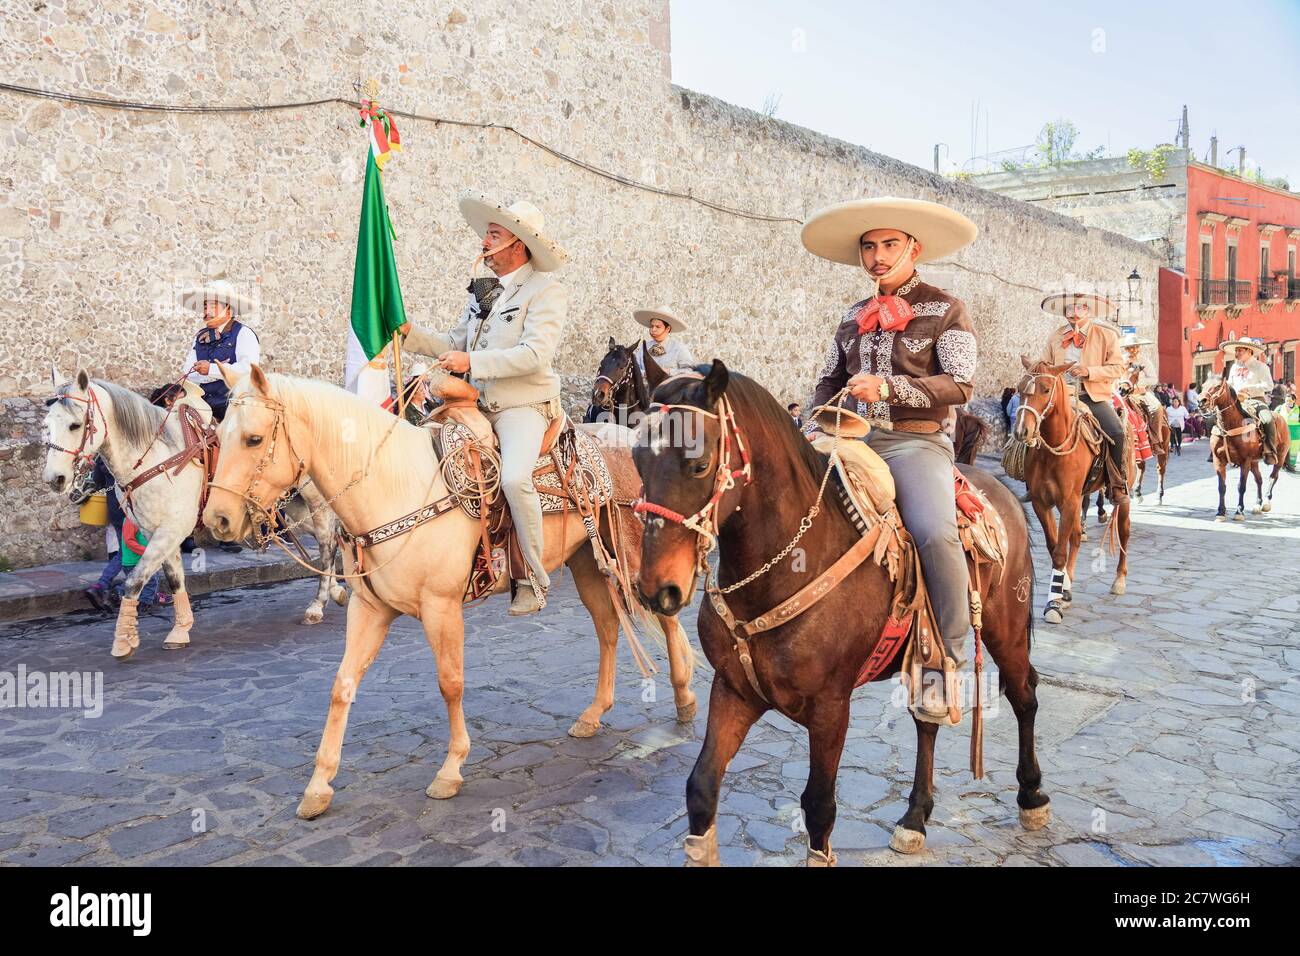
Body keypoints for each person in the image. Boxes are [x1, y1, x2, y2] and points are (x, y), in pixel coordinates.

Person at [801, 195, 979, 720]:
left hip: (914, 441)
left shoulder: (946, 308)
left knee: (933, 530)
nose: (877, 256)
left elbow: (961, 386)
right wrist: (811, 418)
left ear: (913, 248)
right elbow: (829, 380)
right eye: (869, 247)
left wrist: (890, 388)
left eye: (889, 245)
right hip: (847, 437)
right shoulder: (852, 315)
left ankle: (949, 655)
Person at [398, 191, 568, 616]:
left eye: (493, 235)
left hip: (522, 406)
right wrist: (407, 333)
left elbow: (534, 355)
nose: (484, 242)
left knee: (513, 479)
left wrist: (471, 361)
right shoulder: (482, 292)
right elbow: (454, 343)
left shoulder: (546, 292)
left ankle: (531, 575)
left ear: (518, 245)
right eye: (486, 234)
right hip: (473, 402)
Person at [1038, 293, 1128, 501]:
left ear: (1088, 311)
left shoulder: (1106, 336)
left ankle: (1116, 483)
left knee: (1116, 433)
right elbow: (1044, 365)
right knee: (1029, 428)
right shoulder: (1055, 336)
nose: (1074, 313)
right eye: (1070, 309)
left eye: (1079, 309)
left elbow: (1117, 368)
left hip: (1091, 396)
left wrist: (1088, 371)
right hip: (1060, 396)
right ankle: (1032, 479)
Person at [180, 280, 260, 423]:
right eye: (205, 306)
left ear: (228, 309)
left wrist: (211, 369)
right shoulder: (200, 336)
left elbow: (248, 370)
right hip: (203, 404)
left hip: (234, 404)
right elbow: (188, 371)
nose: (207, 312)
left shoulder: (244, 333)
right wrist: (206, 373)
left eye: (213, 306)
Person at [1222, 338, 1279, 463]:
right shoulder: (1234, 366)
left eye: (1240, 350)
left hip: (1255, 400)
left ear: (1249, 351)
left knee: (1268, 419)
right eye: (1236, 351)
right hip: (1236, 401)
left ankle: (1270, 450)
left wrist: (1250, 388)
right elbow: (1230, 384)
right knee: (1216, 418)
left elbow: (1269, 385)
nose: (1236, 353)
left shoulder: (1261, 367)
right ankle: (1219, 449)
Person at [632, 307, 695, 376]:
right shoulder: (644, 347)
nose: (653, 329)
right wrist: (646, 373)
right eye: (652, 326)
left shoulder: (678, 348)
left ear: (667, 329)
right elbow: (634, 368)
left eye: (658, 327)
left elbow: (689, 371)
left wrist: (669, 372)